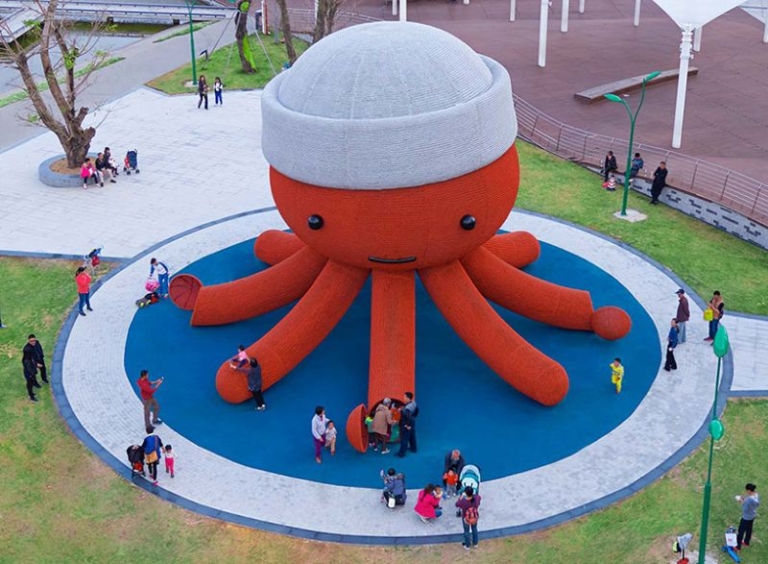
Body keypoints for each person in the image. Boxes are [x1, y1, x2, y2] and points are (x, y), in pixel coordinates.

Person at [456, 485, 482, 550]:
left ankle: (467, 545)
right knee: (474, 529)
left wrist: (461, 497)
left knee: (466, 531)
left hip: (466, 518)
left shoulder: (463, 502)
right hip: (474, 517)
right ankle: (475, 543)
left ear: (466, 493)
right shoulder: (476, 498)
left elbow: (457, 504)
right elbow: (479, 497)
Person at [736, 483, 759, 551]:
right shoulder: (756, 495)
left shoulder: (749, 500)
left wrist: (741, 502)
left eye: (746, 491)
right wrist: (744, 499)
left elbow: (745, 509)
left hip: (746, 517)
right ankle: (746, 542)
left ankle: (738, 546)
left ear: (749, 490)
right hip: (753, 515)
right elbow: (753, 503)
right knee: (749, 529)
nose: (746, 492)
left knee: (741, 531)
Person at [396, 391, 418, 458]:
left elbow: (408, 417)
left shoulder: (407, 408)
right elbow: (417, 410)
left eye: (404, 396)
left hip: (406, 424)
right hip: (412, 422)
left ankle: (401, 453)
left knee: (404, 438)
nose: (403, 398)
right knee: (412, 436)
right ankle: (414, 448)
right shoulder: (413, 403)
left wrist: (407, 425)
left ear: (408, 398)